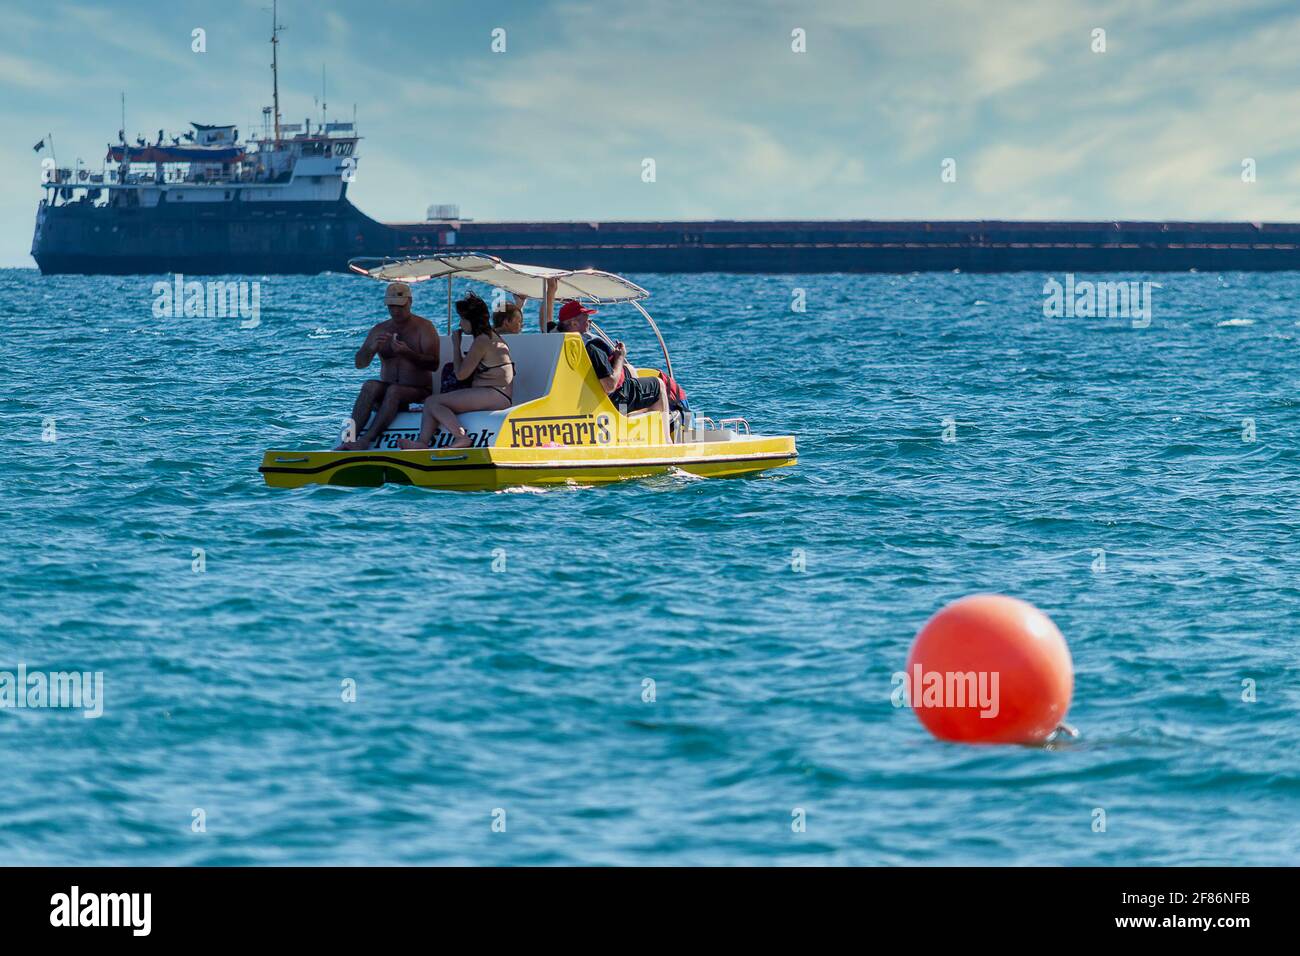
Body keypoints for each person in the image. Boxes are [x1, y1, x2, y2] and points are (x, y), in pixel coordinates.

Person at [397, 292, 514, 449]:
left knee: (433, 401)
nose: (460, 324)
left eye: (462, 319)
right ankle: (422, 443)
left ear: (471, 320)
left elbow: (460, 375)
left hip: (495, 394)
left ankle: (460, 437)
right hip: (495, 393)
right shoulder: (488, 336)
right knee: (432, 403)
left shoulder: (482, 341)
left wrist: (456, 345)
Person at [337, 281, 441, 450]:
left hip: (419, 389)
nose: (396, 311)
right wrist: (371, 349)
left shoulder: (424, 327)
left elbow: (434, 364)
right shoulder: (380, 329)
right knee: (369, 385)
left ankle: (366, 440)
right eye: (391, 306)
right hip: (389, 387)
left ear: (410, 302)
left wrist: (408, 353)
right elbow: (359, 364)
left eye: (400, 306)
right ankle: (348, 440)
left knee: (395, 391)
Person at [554, 299, 670, 443]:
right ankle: (666, 440)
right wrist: (620, 357)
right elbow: (609, 386)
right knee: (658, 385)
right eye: (586, 319)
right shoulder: (592, 347)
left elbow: (546, 323)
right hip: (608, 400)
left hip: (578, 395)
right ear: (574, 323)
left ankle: (633, 423)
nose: (589, 322)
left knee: (629, 370)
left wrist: (551, 290)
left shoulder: (556, 339)